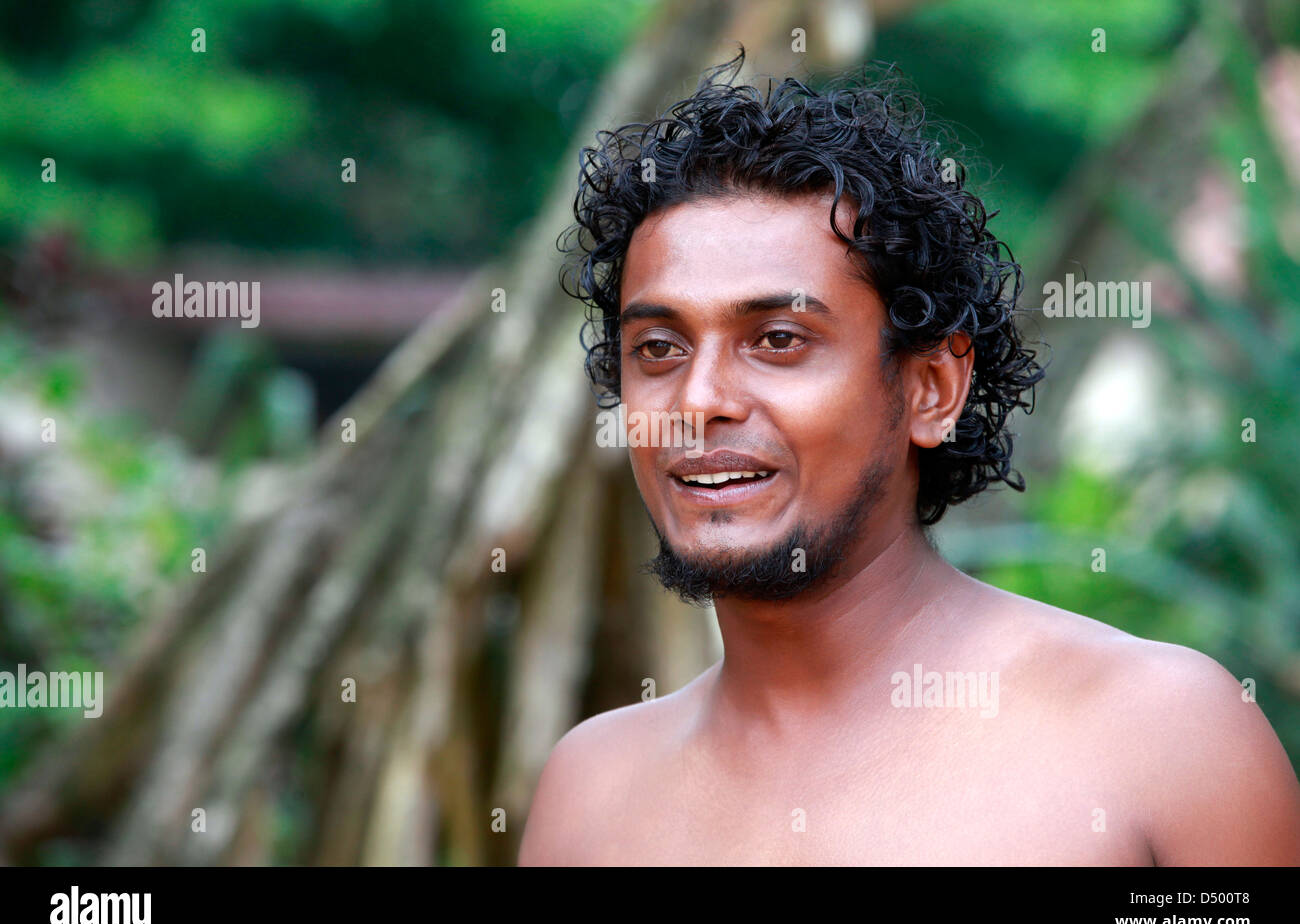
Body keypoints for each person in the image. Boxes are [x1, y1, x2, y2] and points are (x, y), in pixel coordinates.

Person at [518, 49, 1300, 865]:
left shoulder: (1159, 739)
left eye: (778, 341)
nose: (697, 400)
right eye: (659, 348)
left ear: (931, 387)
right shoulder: (594, 793)